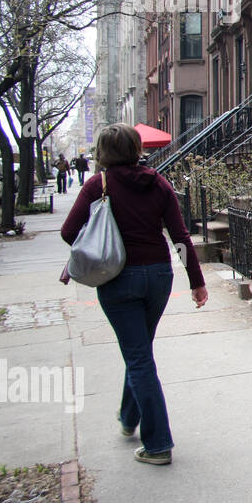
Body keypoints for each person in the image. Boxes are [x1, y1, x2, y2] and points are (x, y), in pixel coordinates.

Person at [60, 123, 208, 466]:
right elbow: (180, 237)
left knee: (138, 356)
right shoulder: (158, 182)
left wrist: (100, 244)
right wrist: (196, 281)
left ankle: (158, 445)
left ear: (103, 152)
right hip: (158, 276)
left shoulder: (98, 185)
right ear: (136, 148)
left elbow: (69, 232)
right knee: (140, 349)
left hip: (118, 279)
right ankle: (129, 419)